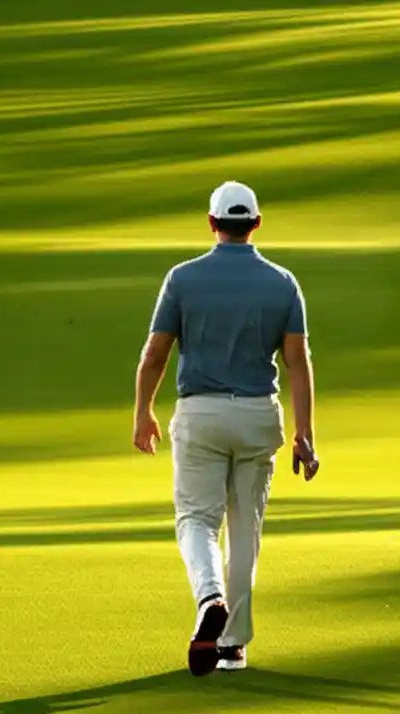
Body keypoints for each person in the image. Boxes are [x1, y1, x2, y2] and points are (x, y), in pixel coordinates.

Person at [132, 180, 320, 676]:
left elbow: (155, 352)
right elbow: (297, 361)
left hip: (201, 415)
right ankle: (233, 645)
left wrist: (143, 411)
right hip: (258, 415)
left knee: (196, 519)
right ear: (255, 224)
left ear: (212, 223)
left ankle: (209, 598)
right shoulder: (283, 282)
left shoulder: (182, 278)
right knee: (244, 530)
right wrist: (305, 434)